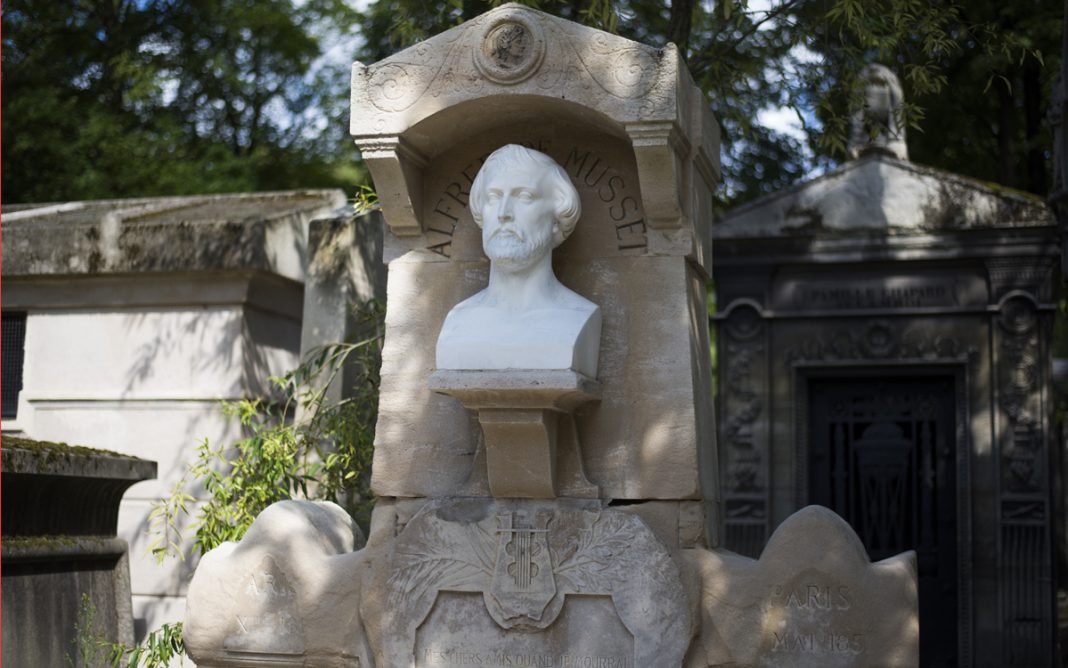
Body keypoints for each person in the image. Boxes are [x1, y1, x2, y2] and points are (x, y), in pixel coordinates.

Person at [435, 144, 601, 377]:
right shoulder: (458, 321)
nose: (504, 213)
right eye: (493, 197)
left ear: (557, 217)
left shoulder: (578, 316)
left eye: (524, 196)